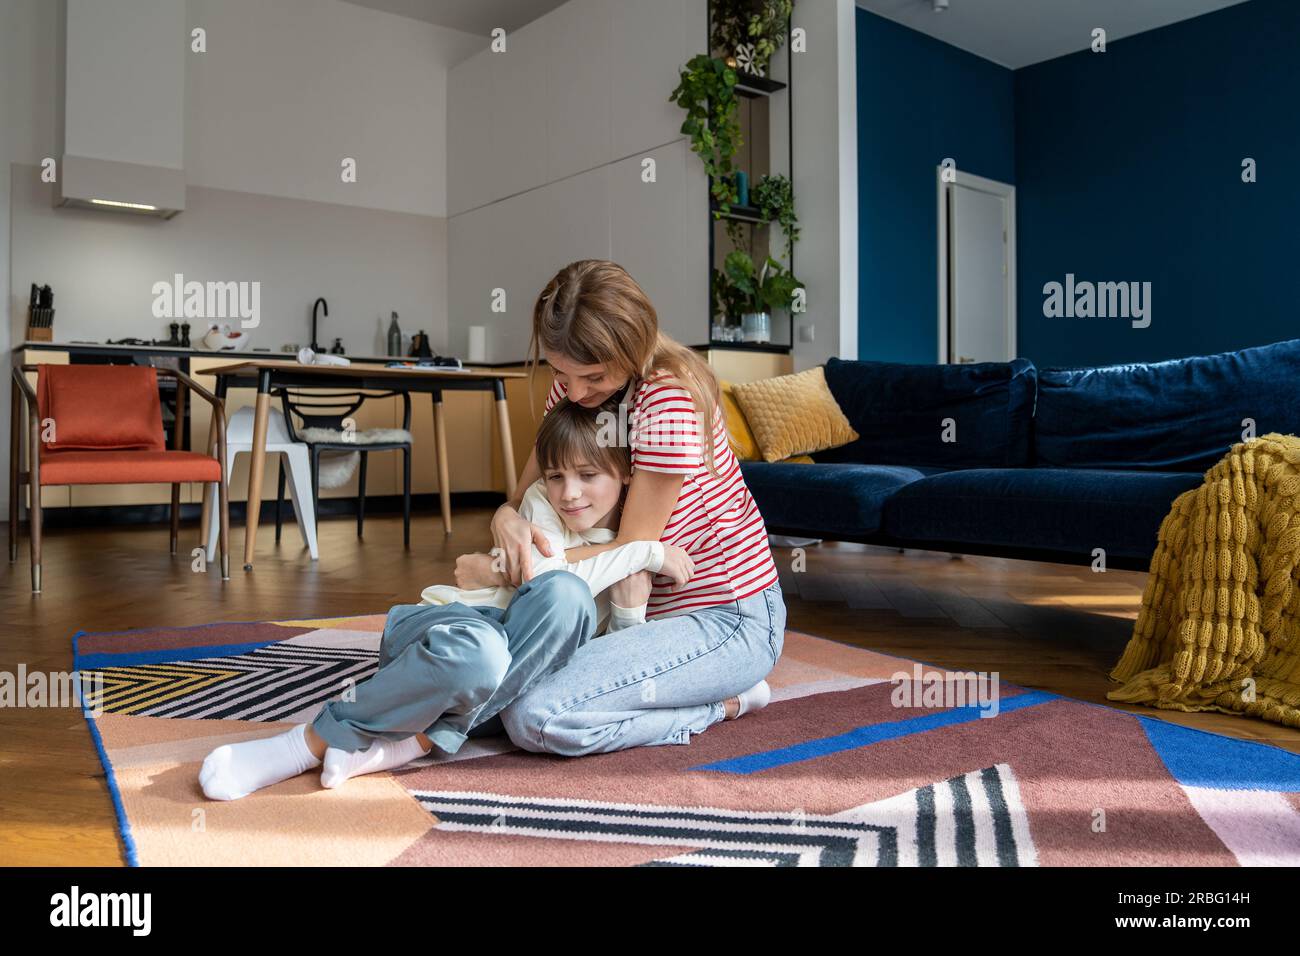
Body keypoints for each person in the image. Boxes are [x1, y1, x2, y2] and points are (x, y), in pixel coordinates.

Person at [197, 395, 691, 801]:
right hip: (446, 632)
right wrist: (644, 552)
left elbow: (615, 657)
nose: (569, 493)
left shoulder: (629, 556)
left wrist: (631, 595)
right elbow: (548, 575)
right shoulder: (544, 506)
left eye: (588, 476)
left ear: (626, 472)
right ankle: (303, 744)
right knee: (537, 614)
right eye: (557, 475)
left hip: (500, 678)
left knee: (519, 667)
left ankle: (410, 740)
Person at [454, 258, 787, 758]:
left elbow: (633, 552)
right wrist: (503, 516)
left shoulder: (667, 401)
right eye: (561, 372)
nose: (576, 392)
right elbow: (527, 496)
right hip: (623, 612)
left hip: (724, 620)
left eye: (591, 377)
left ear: (631, 347)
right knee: (469, 699)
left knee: (534, 717)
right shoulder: (577, 378)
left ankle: (726, 704)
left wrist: (498, 570)